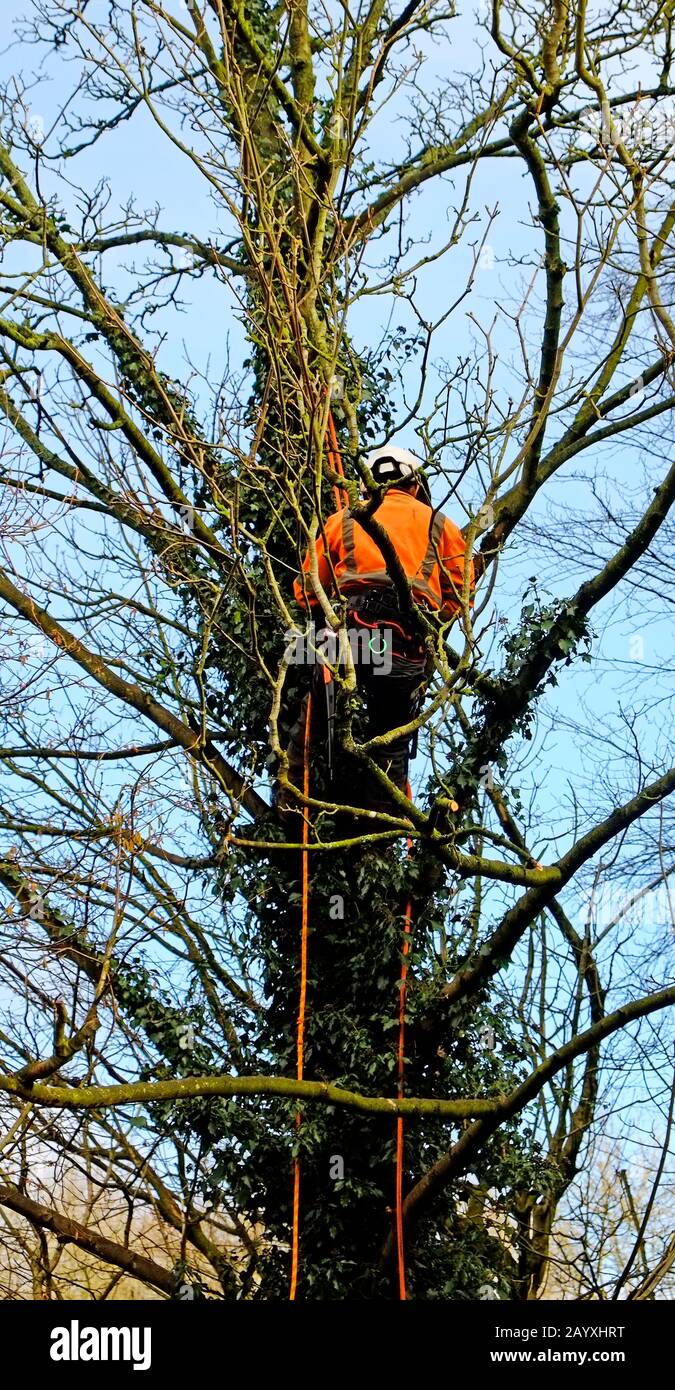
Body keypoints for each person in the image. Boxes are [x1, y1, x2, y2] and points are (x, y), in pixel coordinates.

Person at [279, 444, 473, 828]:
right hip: (407, 651)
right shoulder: (441, 525)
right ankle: (382, 822)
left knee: (314, 709)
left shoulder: (343, 520)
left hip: (355, 641)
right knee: (393, 738)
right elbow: (460, 597)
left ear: (370, 486)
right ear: (415, 484)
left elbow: (305, 588)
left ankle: (290, 796)